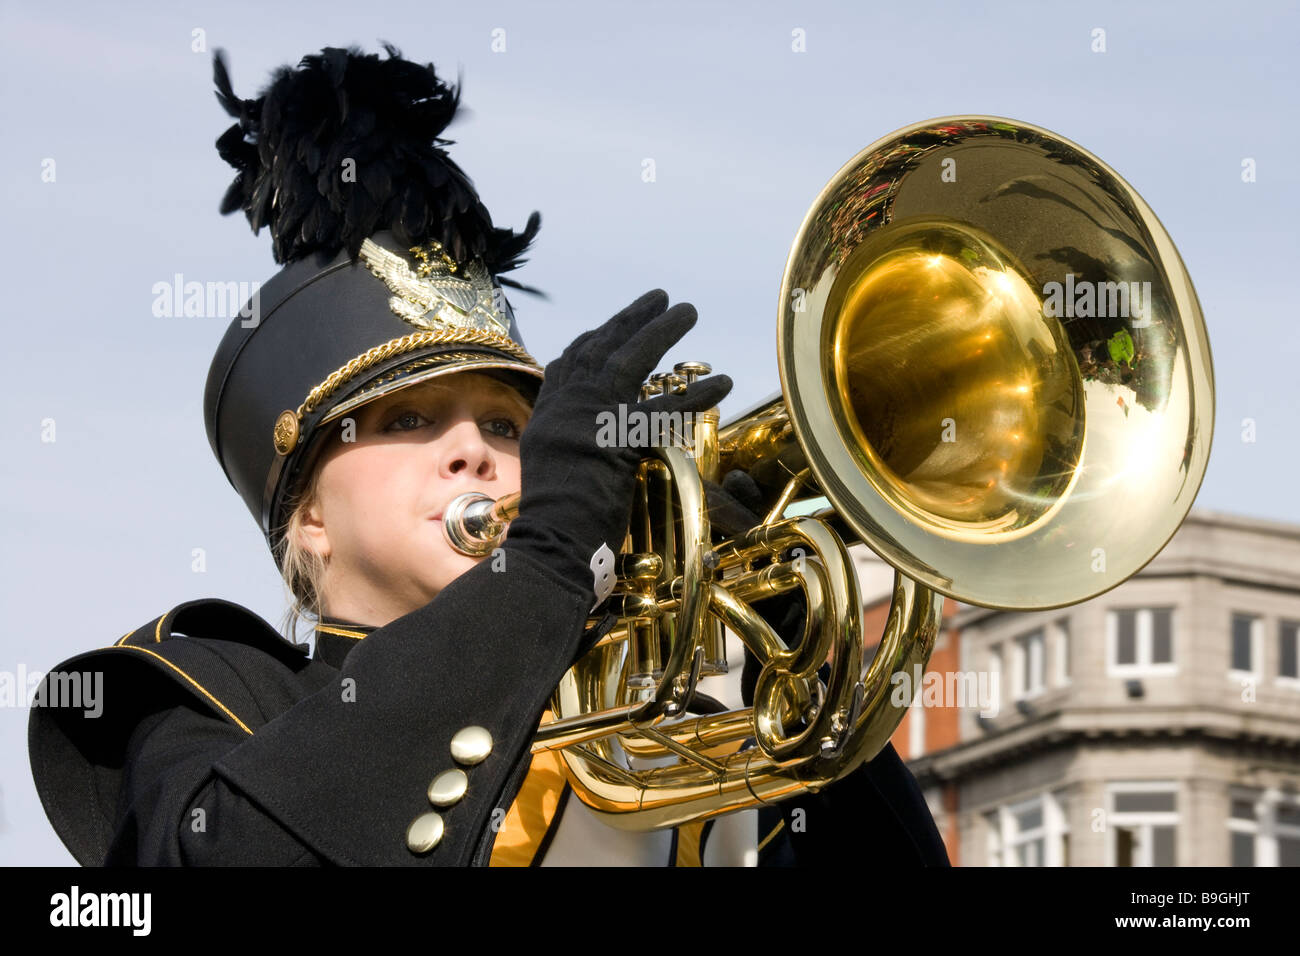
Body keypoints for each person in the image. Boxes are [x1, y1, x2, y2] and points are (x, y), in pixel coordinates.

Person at [27, 43, 949, 867]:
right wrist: (547, 557)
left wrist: (790, 668)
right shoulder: (199, 702)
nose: (472, 449)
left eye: (508, 429)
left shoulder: (673, 737)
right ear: (309, 515)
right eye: (407, 422)